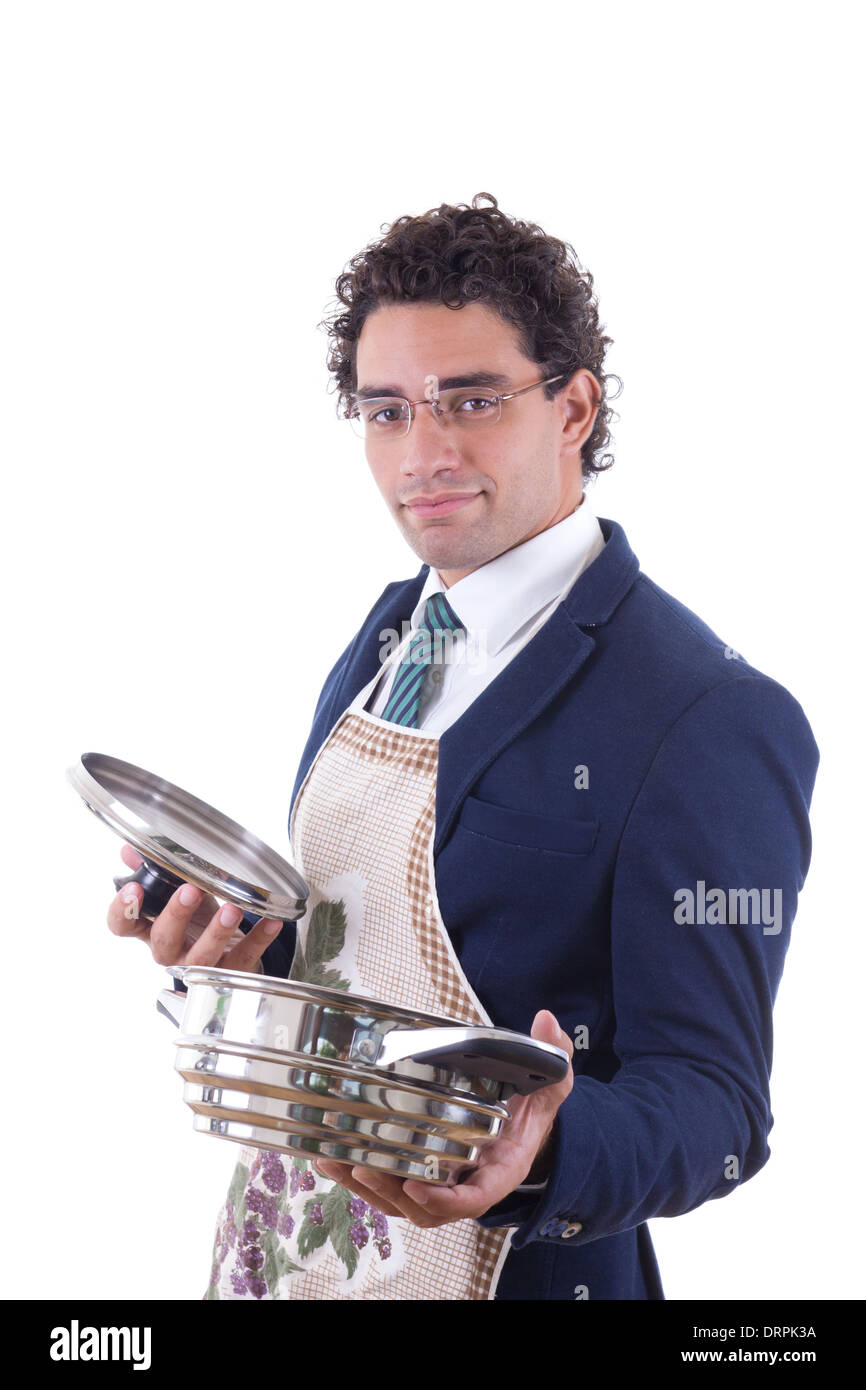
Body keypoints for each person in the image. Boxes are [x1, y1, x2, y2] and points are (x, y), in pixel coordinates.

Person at [108, 193, 820, 1301]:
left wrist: (534, 1148)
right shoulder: (391, 632)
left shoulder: (705, 714)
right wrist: (242, 945)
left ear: (574, 406)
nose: (422, 454)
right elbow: (366, 963)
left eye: (471, 400)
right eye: (386, 411)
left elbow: (716, 1102)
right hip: (291, 1251)